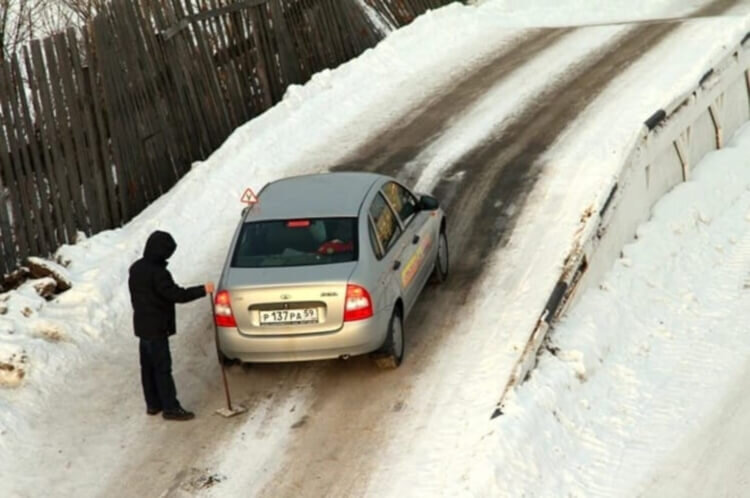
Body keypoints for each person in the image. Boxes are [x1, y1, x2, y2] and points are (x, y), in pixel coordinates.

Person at [128, 230, 214, 421]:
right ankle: (170, 407)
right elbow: (177, 295)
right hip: (157, 327)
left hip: (142, 326)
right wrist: (202, 290)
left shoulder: (136, 268)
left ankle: (153, 404)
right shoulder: (159, 273)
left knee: (147, 369)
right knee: (162, 369)